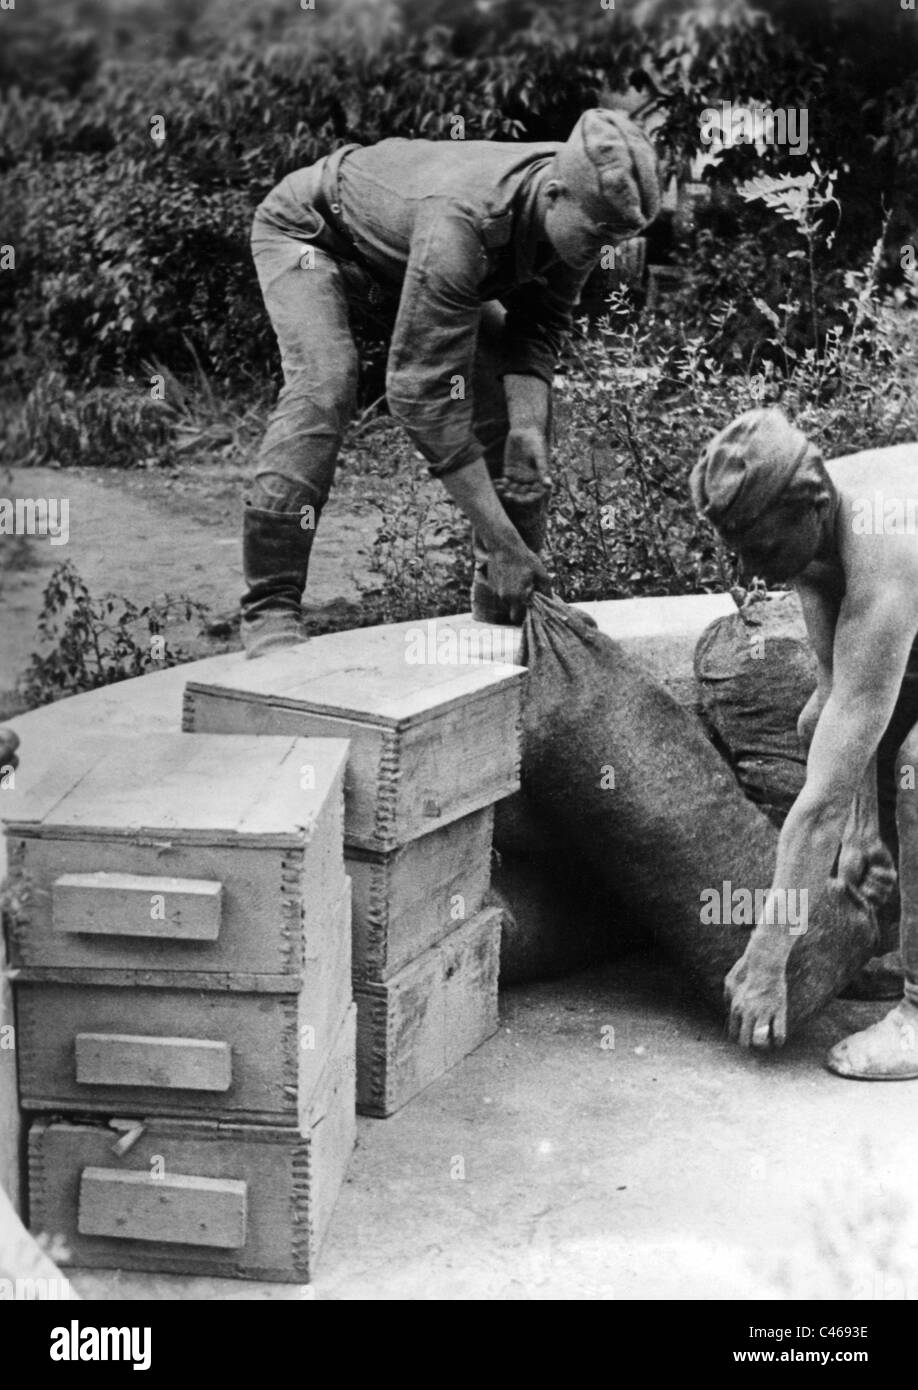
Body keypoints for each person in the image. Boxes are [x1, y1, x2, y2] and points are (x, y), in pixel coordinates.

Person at [242, 110, 660, 657]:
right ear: (554, 195)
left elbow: (539, 325)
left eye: (620, 238)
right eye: (601, 235)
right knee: (326, 384)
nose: (608, 251)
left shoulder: (580, 212)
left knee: (515, 408)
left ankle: (506, 596)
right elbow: (422, 396)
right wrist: (503, 539)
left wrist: (526, 429)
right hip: (313, 235)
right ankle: (270, 609)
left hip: (409, 256)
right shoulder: (465, 218)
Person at [691, 406, 918, 1077]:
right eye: (739, 548)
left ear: (812, 508)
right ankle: (898, 942)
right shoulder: (806, 512)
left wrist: (767, 957)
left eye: (759, 549)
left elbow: (820, 805)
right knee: (826, 728)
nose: (749, 568)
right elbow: (833, 704)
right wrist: (862, 834)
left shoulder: (885, 545)